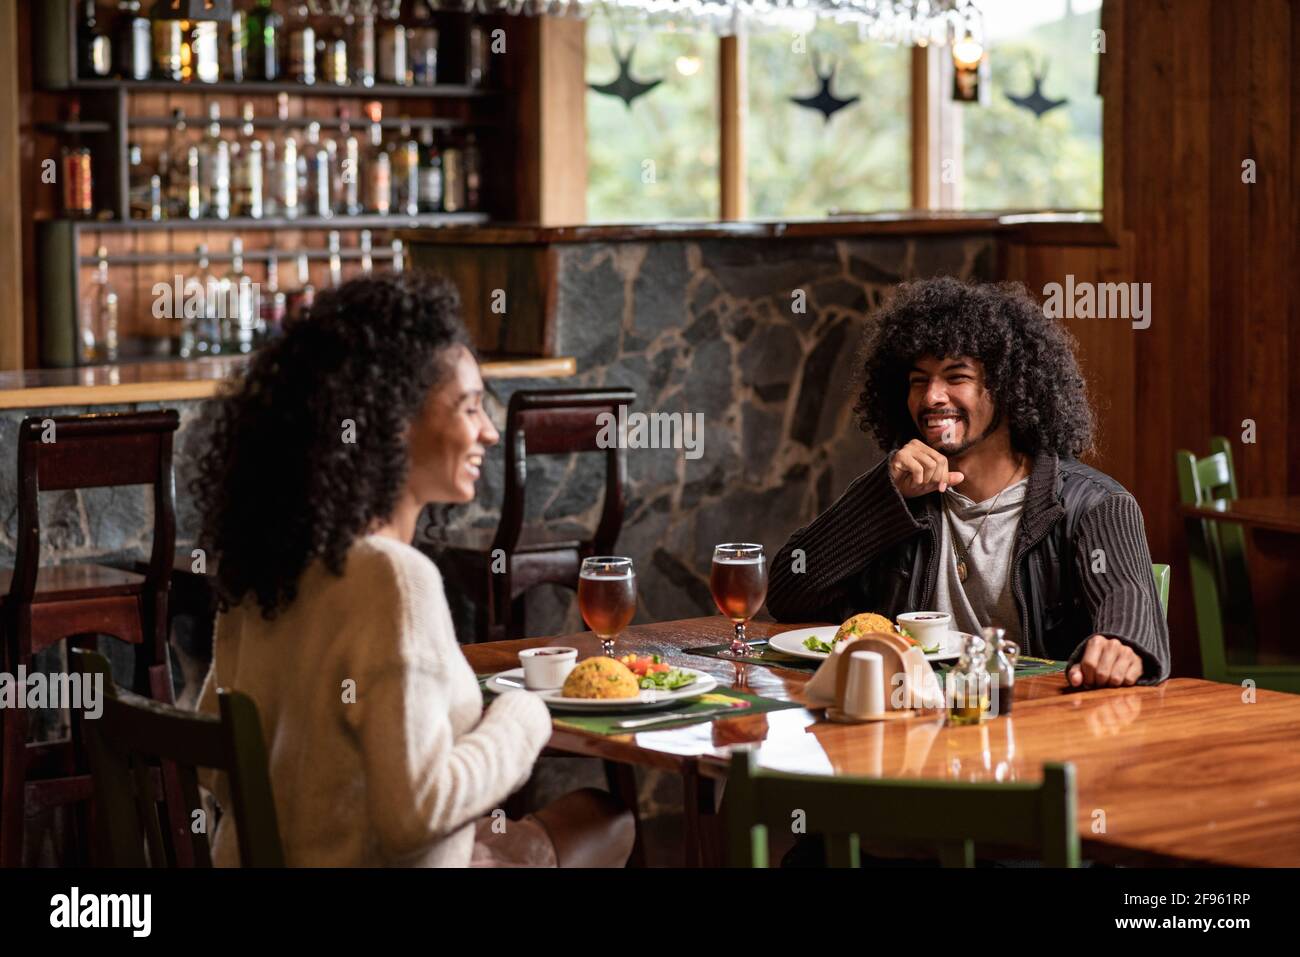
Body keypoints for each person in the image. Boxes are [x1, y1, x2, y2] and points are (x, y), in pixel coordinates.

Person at [193, 272, 634, 867]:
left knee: (592, 816)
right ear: (391, 420)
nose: (489, 430)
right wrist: (526, 712)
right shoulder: (393, 578)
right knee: (610, 821)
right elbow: (415, 815)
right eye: (469, 407)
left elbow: (210, 761)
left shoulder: (267, 562)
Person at [767, 277, 1170, 688]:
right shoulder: (897, 499)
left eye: (956, 377)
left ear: (1011, 387)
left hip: (1036, 727)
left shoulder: (1094, 505)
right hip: (912, 730)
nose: (931, 398)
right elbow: (786, 595)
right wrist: (881, 496)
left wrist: (1121, 647)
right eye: (918, 380)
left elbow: (1132, 625)